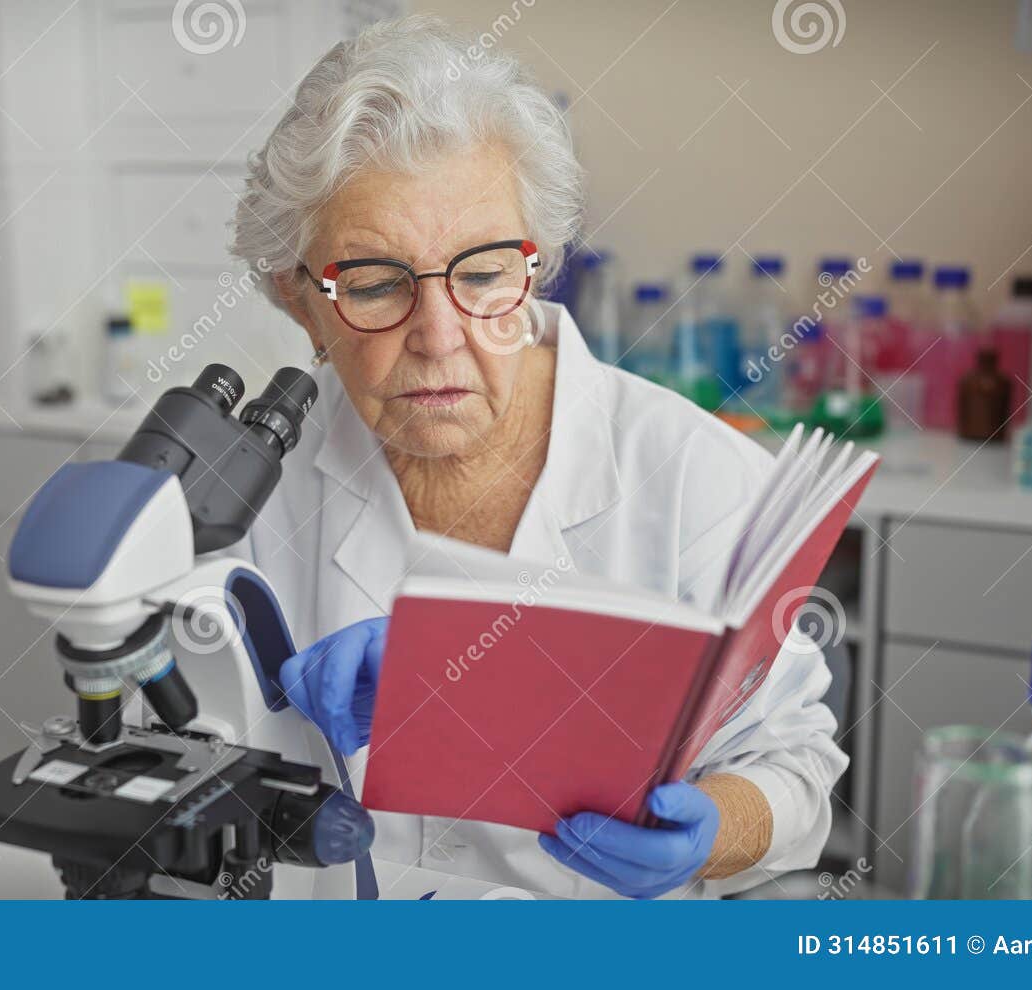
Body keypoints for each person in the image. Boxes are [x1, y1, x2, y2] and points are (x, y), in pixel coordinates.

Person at [224, 15, 846, 899]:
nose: (439, 337)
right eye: (372, 285)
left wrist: (708, 831)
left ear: (538, 264)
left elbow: (794, 769)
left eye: (481, 275)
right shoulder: (249, 485)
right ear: (302, 303)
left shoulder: (699, 477)